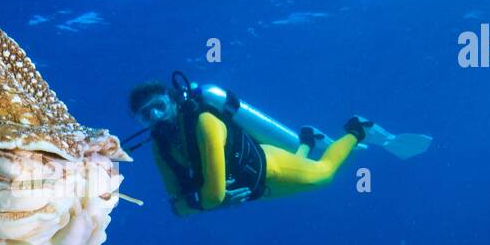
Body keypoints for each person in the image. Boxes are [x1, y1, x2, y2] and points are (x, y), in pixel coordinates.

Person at [126, 75, 372, 216]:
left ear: (172, 99)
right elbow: (177, 209)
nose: (156, 117)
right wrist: (204, 199)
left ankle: (356, 130)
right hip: (255, 189)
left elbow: (210, 197)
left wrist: (205, 200)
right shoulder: (160, 147)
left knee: (325, 173)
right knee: (306, 162)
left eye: (159, 106)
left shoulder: (205, 122)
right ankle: (306, 139)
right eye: (146, 115)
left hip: (272, 171)